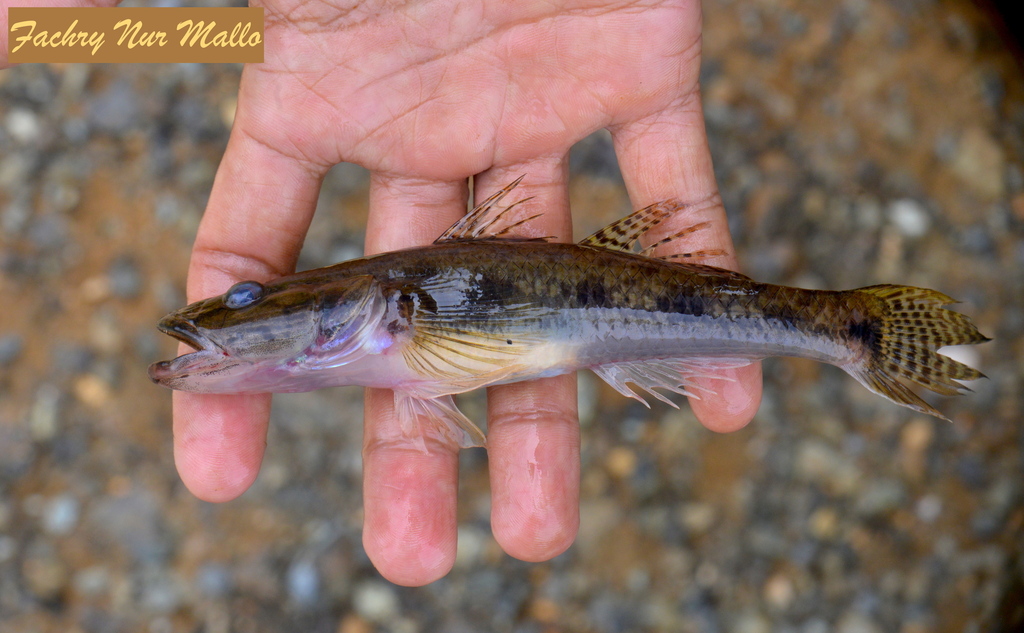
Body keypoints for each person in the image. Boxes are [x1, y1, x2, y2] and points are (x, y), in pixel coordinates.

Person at [5, 0, 763, 586]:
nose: (231, 311)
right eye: (241, 304)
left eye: (245, 300)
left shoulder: (400, 309)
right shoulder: (392, 321)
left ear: (383, 306)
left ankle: (846, 327)